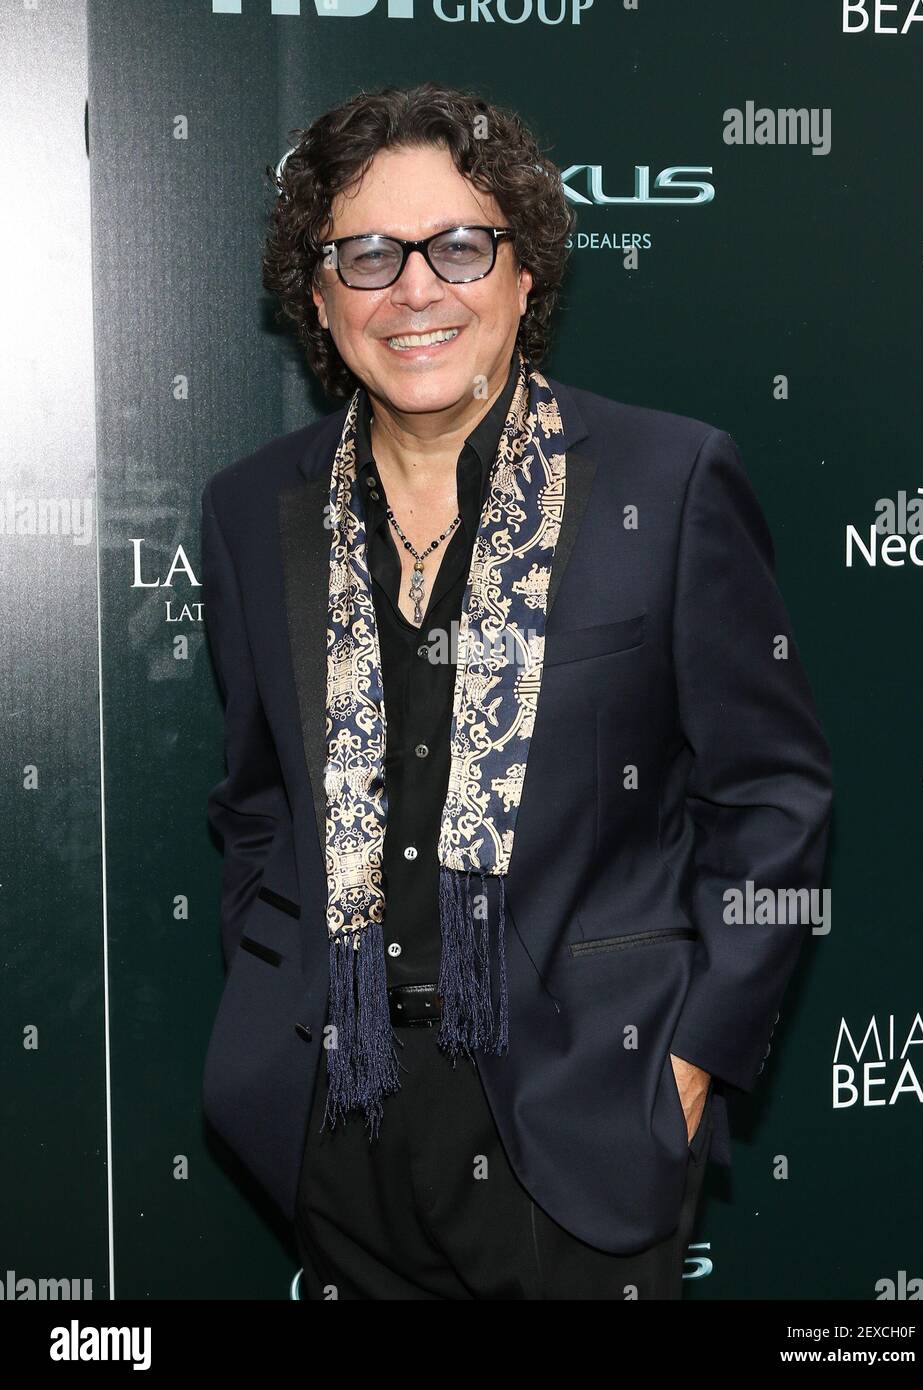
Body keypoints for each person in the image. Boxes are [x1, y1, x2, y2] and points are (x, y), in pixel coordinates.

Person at [199, 82, 833, 1300]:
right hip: (336, 1111)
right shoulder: (249, 511)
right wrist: (272, 1013)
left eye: (458, 246)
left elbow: (773, 799)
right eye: (368, 254)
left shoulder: (667, 479)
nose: (415, 290)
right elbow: (256, 805)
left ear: (523, 274)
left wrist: (689, 1061)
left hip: (583, 1113)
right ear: (319, 297)